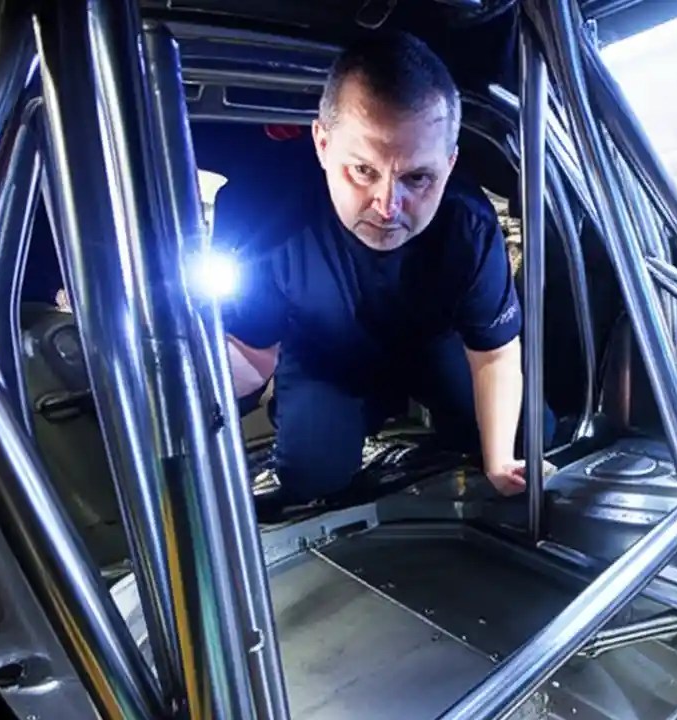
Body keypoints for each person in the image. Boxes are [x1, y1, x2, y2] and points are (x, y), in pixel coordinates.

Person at [224, 31, 554, 505]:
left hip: (432, 345)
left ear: (449, 162)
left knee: (531, 436)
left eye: (417, 178)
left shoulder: (468, 225)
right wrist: (184, 405)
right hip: (325, 356)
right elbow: (254, 353)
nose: (387, 206)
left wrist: (499, 460)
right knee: (311, 477)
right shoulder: (268, 218)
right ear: (321, 143)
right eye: (362, 171)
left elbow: (495, 354)